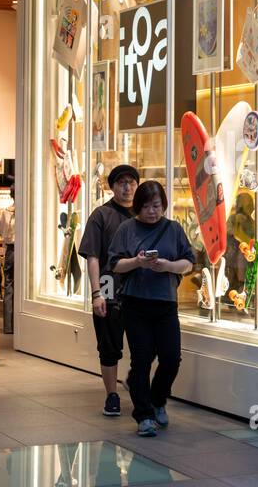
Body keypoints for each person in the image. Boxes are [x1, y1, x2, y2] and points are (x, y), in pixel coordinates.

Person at [107, 180, 196, 437]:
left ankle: (157, 400)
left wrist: (168, 265)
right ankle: (143, 415)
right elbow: (115, 264)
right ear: (138, 207)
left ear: (164, 205)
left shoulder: (174, 229)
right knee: (142, 360)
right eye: (146, 206)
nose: (152, 211)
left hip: (166, 303)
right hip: (135, 303)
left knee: (171, 358)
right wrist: (137, 261)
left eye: (156, 205)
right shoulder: (127, 229)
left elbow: (188, 263)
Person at [77, 164, 138, 417]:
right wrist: (95, 294)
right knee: (109, 346)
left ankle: (136, 384)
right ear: (112, 187)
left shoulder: (144, 215)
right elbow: (92, 256)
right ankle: (111, 395)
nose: (127, 187)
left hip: (138, 293)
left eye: (132, 182)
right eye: (121, 182)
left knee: (144, 347)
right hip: (109, 290)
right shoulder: (101, 215)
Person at [0, 175, 16, 335]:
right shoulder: (28, 212)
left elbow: (2, 233)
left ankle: (8, 326)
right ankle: (20, 322)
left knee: (8, 285)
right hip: (23, 251)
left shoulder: (5, 213)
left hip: (10, 250)